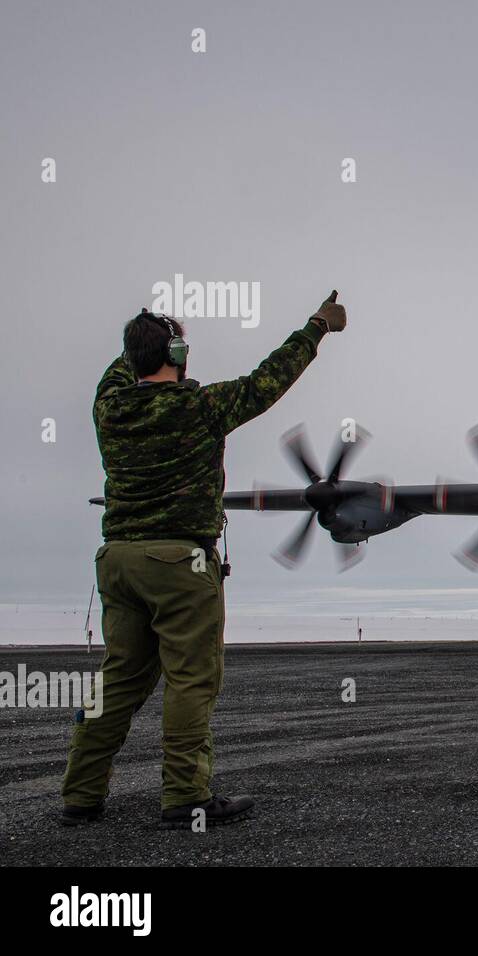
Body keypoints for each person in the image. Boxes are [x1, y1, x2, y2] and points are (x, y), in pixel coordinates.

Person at [61, 291, 347, 829]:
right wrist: (317, 326)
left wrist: (143, 341)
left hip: (118, 561)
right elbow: (271, 379)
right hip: (179, 564)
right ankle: (186, 796)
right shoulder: (201, 407)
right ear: (178, 353)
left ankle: (80, 794)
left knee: (120, 679)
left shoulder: (110, 406)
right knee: (192, 680)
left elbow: (124, 367)